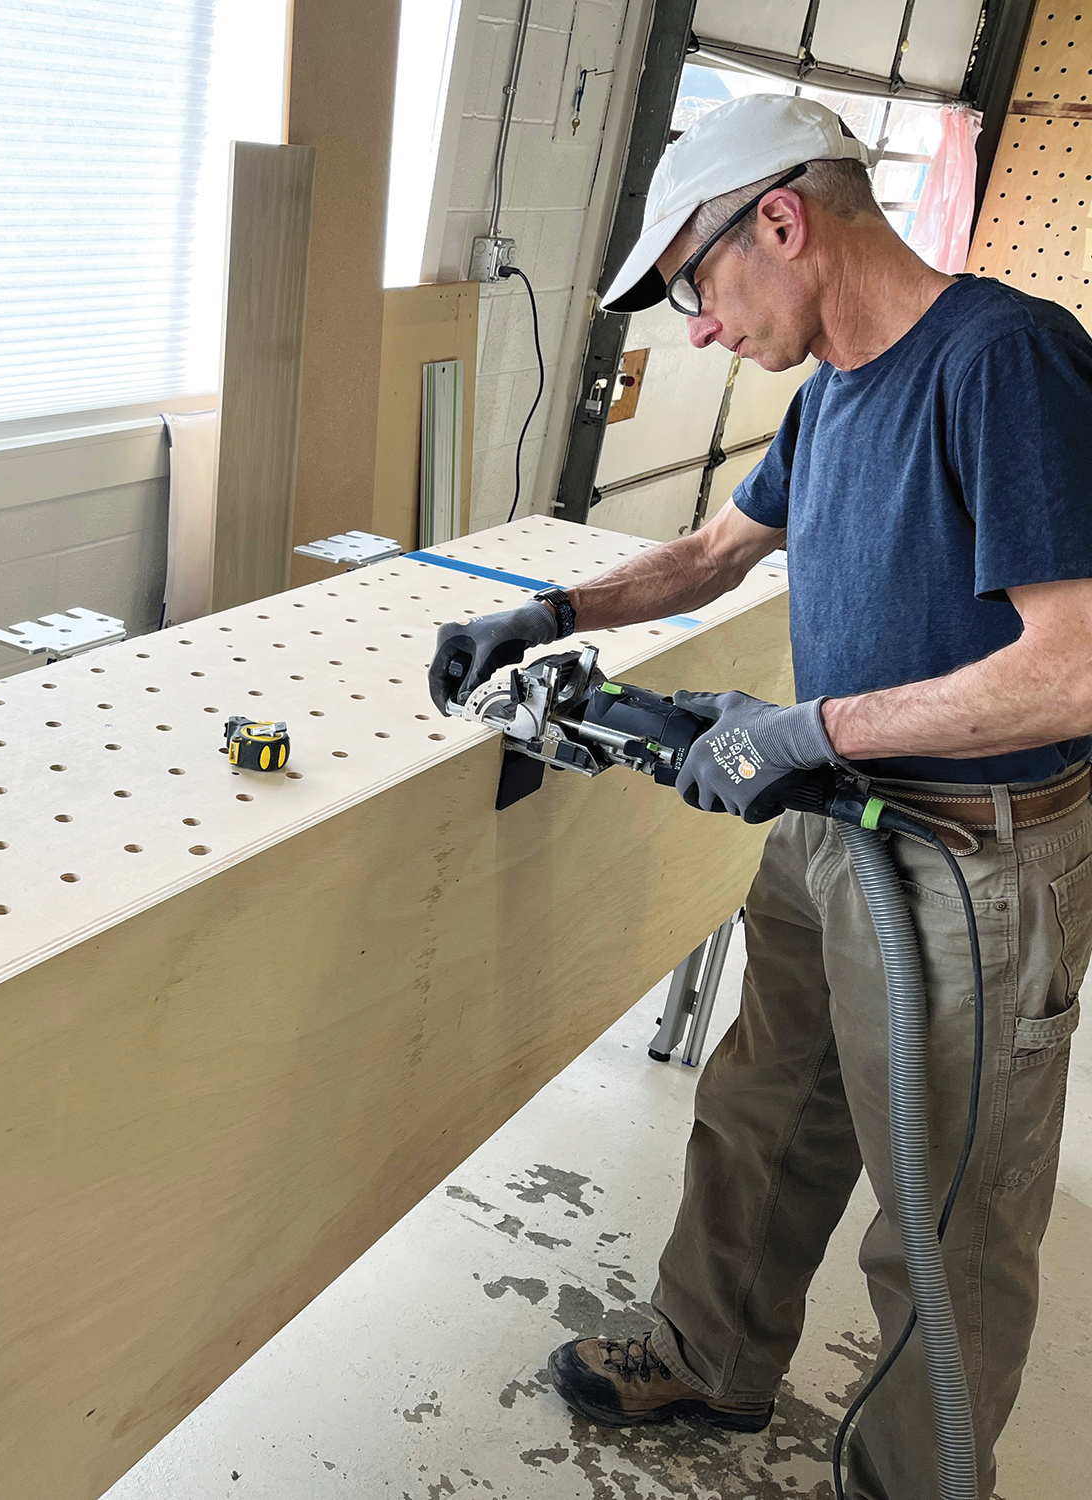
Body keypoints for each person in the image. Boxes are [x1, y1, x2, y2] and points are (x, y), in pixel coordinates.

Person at [427, 94, 1092, 1498]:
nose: (699, 327)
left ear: (781, 220)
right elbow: (715, 553)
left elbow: (1076, 670)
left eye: (693, 284)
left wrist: (811, 728)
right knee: (767, 1109)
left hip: (974, 862)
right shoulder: (834, 390)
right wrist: (551, 611)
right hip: (838, 820)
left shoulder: (1006, 363)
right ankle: (712, 1354)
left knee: (945, 1215)